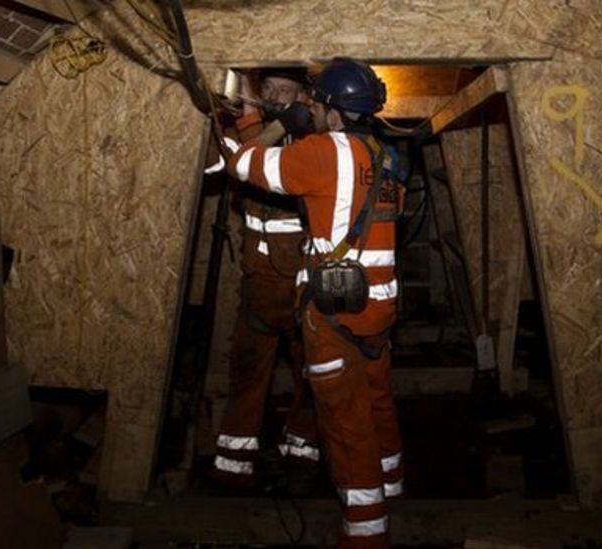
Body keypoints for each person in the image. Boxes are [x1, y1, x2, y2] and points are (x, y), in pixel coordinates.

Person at [227, 58, 404, 548]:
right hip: (380, 309)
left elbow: (244, 165)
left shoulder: (323, 153)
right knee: (377, 398)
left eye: (317, 104)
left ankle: (366, 530)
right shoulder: (385, 156)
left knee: (346, 422)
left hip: (336, 312)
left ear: (332, 110)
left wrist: (276, 125)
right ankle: (392, 485)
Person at [211, 68, 321, 491]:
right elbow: (231, 164)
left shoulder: (315, 138)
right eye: (269, 88)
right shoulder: (249, 130)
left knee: (311, 372)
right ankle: (233, 464)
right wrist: (239, 110)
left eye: (285, 90)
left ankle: (302, 451)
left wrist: (267, 123)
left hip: (303, 279)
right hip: (259, 280)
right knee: (247, 370)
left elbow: (277, 168)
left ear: (304, 95)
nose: (276, 96)